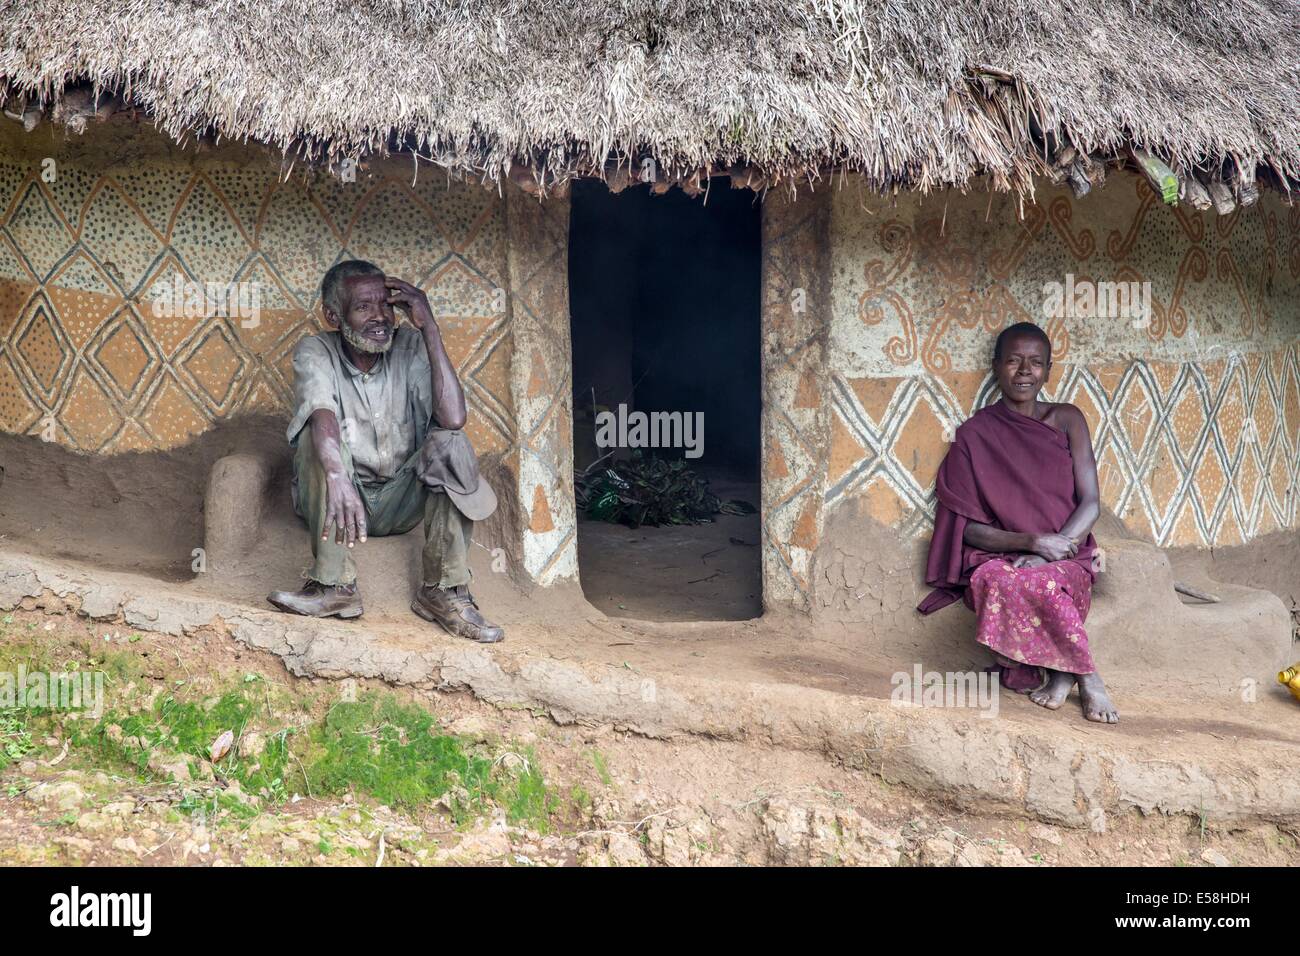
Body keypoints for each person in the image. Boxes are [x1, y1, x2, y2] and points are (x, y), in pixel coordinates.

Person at [266, 259, 505, 644]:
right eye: (363, 307)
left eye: (385, 305)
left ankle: (443, 592)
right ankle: (333, 587)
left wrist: (430, 329)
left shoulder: (410, 345)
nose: (380, 317)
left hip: (400, 499)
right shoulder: (315, 350)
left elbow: (454, 417)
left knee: (451, 442)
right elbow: (321, 411)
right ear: (333, 315)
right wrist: (337, 475)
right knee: (318, 439)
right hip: (340, 496)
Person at [918, 322, 1118, 723]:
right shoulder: (975, 436)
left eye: (1036, 363)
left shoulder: (1067, 419)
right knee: (1000, 579)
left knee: (1044, 579)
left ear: (1047, 370)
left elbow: (1091, 502)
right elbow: (967, 530)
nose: (1025, 371)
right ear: (996, 367)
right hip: (1006, 556)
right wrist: (1031, 543)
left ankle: (1064, 672)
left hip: (1068, 550)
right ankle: (1082, 672)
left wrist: (1054, 548)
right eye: (1013, 361)